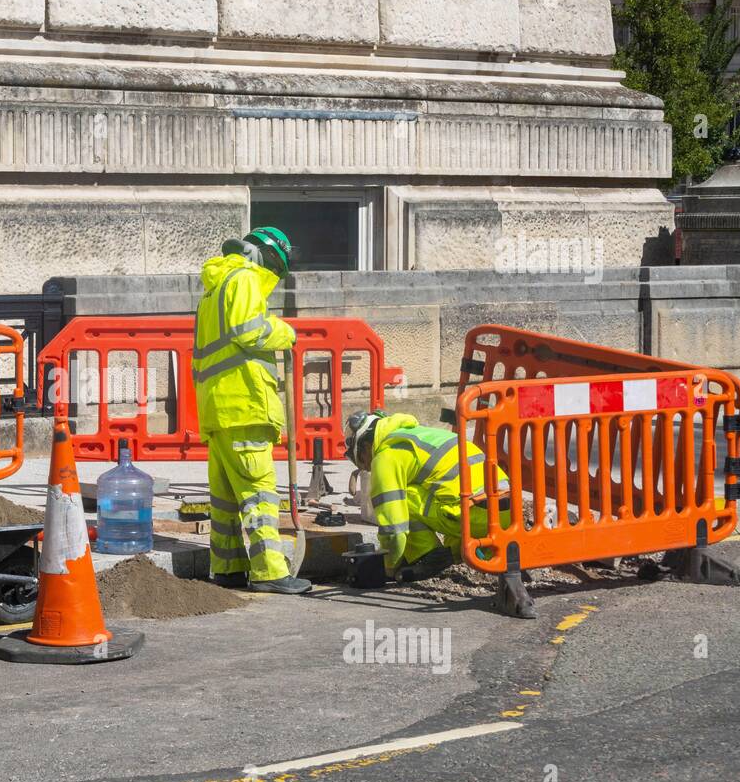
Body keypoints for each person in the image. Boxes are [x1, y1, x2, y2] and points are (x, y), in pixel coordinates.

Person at [192, 226, 309, 595]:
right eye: (275, 267)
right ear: (262, 256)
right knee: (259, 493)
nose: (274, 277)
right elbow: (249, 331)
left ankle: (227, 568)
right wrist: (285, 332)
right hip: (244, 406)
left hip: (219, 409)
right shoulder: (242, 278)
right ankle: (270, 571)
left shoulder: (214, 289)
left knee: (226, 498)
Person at [344, 411, 528, 614]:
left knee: (404, 497)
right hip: (505, 513)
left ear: (366, 446)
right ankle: (460, 553)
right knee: (438, 489)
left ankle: (429, 554)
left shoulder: (386, 456)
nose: (367, 467)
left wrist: (388, 567)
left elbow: (394, 527)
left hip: (474, 515)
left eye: (361, 460)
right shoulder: (419, 435)